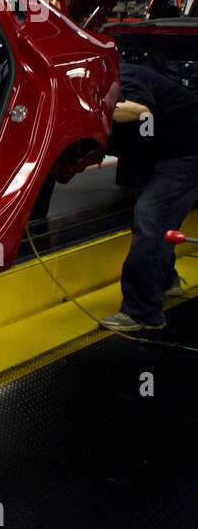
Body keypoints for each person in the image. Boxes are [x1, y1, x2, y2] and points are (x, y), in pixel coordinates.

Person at [99, 62, 198, 332]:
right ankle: (166, 282)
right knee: (155, 222)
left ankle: (143, 312)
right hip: (157, 152)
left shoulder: (123, 74)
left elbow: (140, 110)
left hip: (184, 152)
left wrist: (95, 110)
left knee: (150, 221)